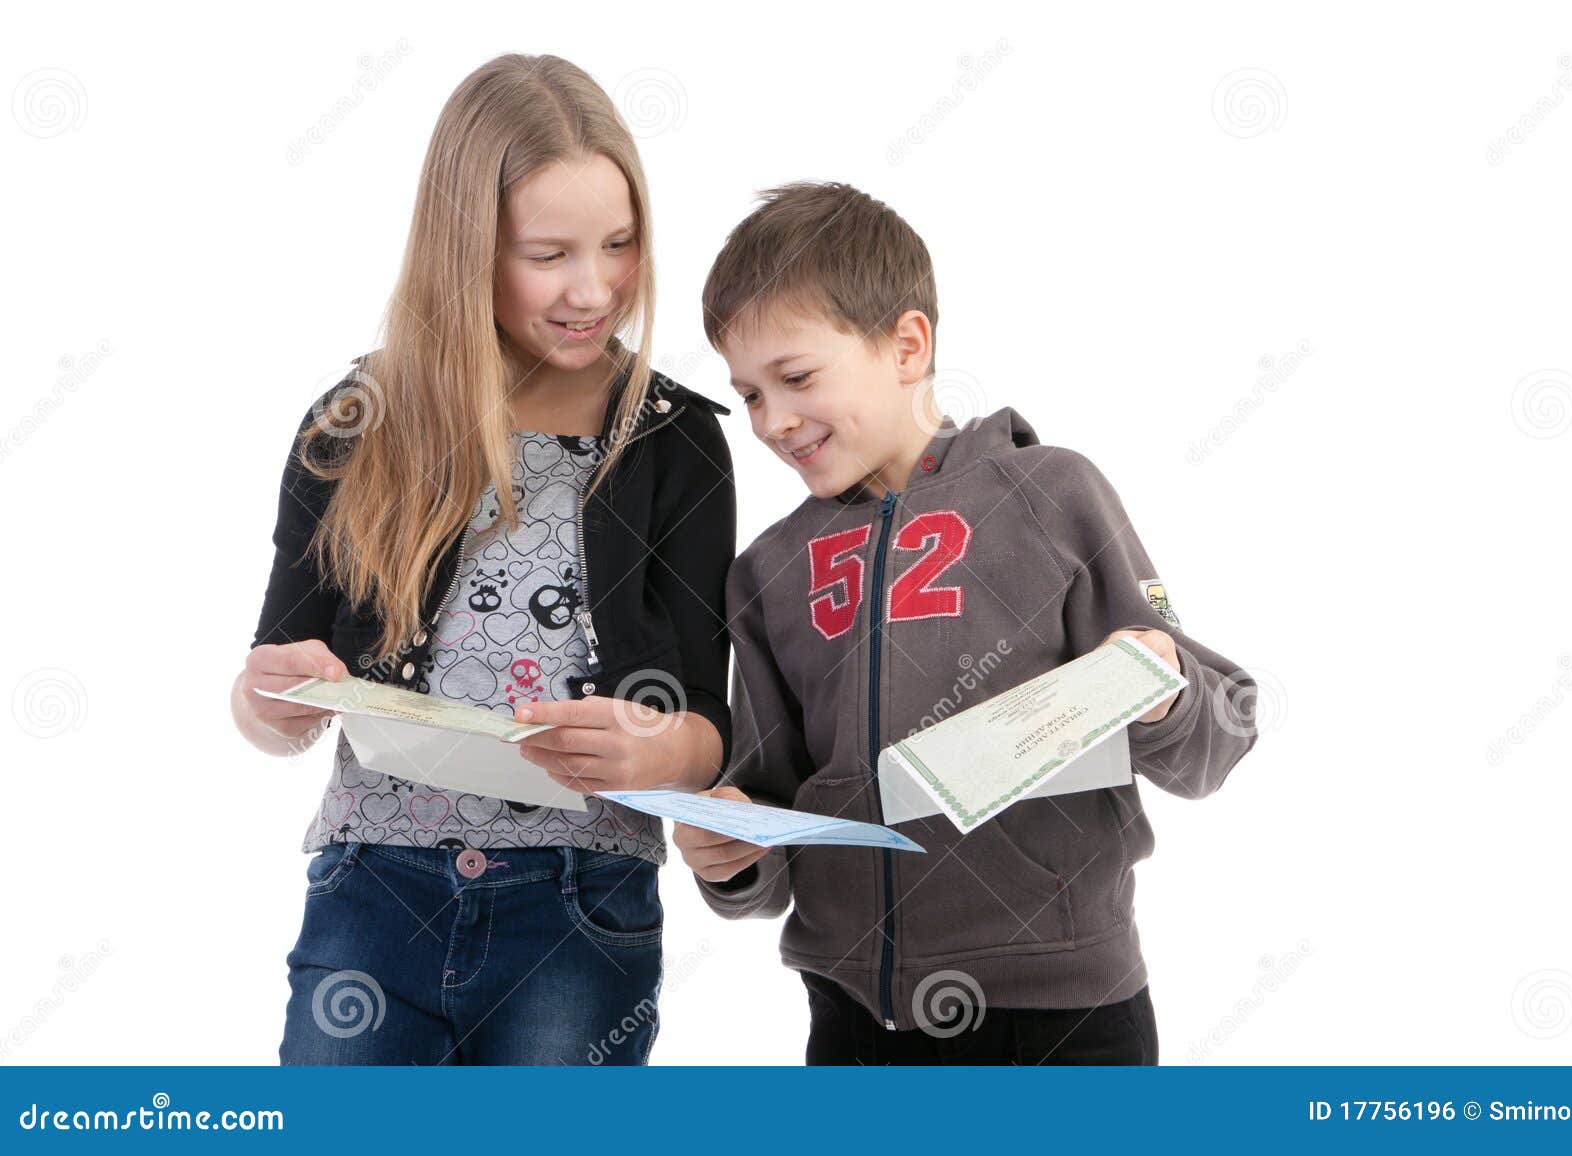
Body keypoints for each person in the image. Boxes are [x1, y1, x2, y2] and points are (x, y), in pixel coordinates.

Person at [674, 181, 1258, 1065]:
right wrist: (733, 855)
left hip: (1062, 1022)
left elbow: (1219, 733)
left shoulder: (1052, 495)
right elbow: (775, 811)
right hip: (852, 1024)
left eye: (795, 378)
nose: (772, 422)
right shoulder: (765, 573)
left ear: (907, 345)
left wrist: (1161, 692)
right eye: (749, 394)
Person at [231, 54, 735, 1065]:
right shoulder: (353, 426)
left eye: (621, 244)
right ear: (466, 250)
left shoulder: (672, 439)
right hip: (371, 892)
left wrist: (655, 751)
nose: (594, 288)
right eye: (547, 254)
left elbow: (709, 726)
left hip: (578, 904)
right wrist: (274, 701)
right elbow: (266, 697)